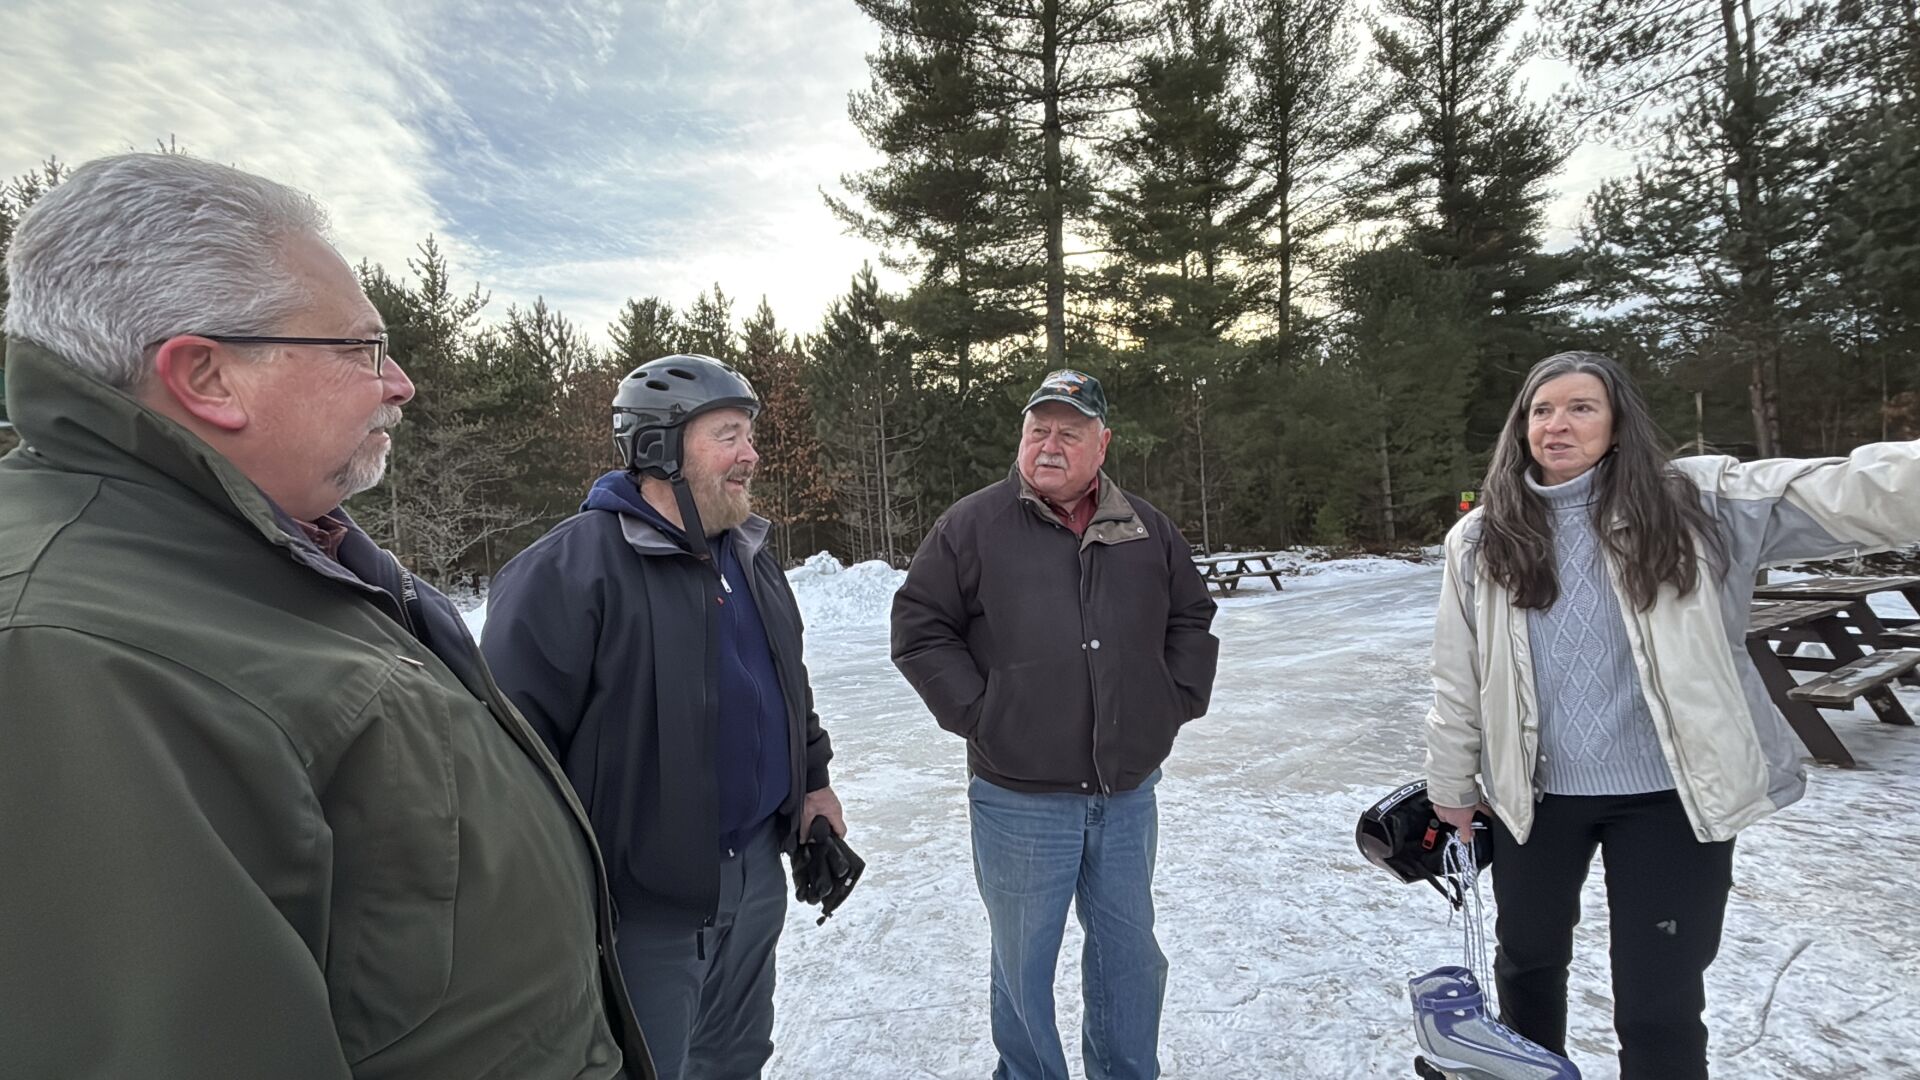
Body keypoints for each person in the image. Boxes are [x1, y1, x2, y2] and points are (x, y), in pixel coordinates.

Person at [0, 154, 648, 1078]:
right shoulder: (73, 650)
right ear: (208, 377)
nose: (401, 385)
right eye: (361, 349)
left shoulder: (278, 556)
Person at [1424, 350, 1920, 1078]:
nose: (1557, 423)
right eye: (1541, 409)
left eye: (1581, 407)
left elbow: (1850, 490)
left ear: (1618, 421)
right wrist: (1451, 785)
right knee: (1527, 973)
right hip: (1533, 798)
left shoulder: (1696, 503)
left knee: (1658, 1003)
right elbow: (1457, 675)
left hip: (1670, 801)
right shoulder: (1482, 538)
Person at [482, 354, 844, 1080]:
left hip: (755, 878)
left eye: (749, 435)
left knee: (736, 1059)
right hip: (641, 909)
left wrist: (811, 781)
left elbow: (785, 679)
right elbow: (504, 762)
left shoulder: (749, 554)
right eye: (729, 435)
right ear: (659, 446)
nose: (752, 454)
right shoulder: (569, 571)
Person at [890, 369, 1220, 1080]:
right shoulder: (971, 526)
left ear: (1102, 444)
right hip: (1019, 798)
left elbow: (1192, 619)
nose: (1048, 444)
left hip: (1126, 794)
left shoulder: (1147, 530)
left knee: (1130, 956)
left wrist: (1173, 700)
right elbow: (919, 629)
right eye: (1037, 429)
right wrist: (982, 716)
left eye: (1068, 432)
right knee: (1022, 969)